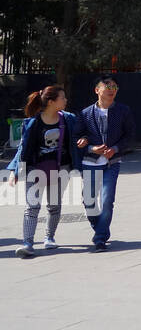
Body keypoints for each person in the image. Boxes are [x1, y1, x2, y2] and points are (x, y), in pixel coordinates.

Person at [8, 86, 84, 258]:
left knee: (54, 206)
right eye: (62, 98)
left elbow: (80, 134)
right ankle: (27, 243)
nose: (66, 101)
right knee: (32, 207)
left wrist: (83, 140)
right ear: (51, 102)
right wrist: (14, 170)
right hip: (35, 169)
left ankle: (49, 237)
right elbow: (23, 148)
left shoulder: (69, 119)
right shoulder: (33, 122)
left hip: (60, 168)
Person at [78, 75, 137, 251]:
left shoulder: (123, 111)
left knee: (107, 200)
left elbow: (130, 135)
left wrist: (116, 148)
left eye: (115, 87)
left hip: (112, 162)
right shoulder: (86, 113)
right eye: (107, 86)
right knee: (88, 201)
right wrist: (89, 147)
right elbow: (77, 137)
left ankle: (100, 238)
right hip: (90, 162)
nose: (111, 90)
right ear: (97, 90)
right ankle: (100, 227)